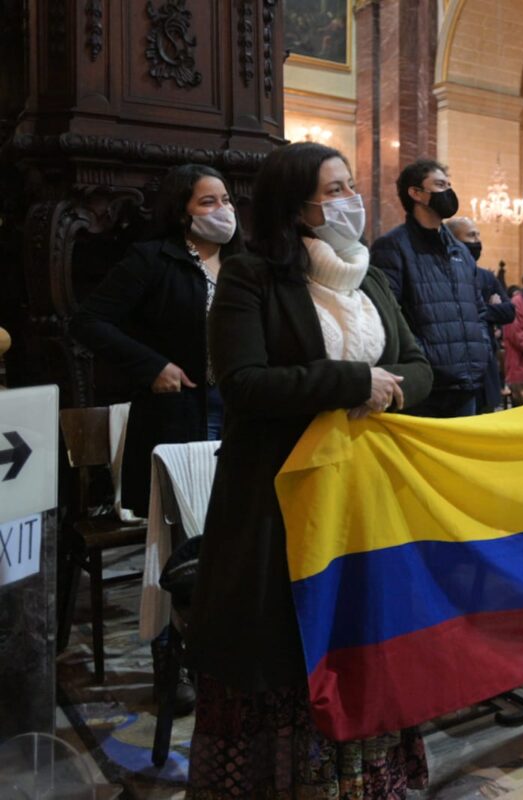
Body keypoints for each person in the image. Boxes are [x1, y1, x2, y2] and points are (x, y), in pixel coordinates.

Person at [187, 143, 434, 798]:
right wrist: (352, 382)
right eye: (334, 190)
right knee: (290, 647)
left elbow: (420, 365)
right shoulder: (250, 277)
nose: (352, 199)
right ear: (296, 204)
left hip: (364, 496)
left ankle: (363, 784)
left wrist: (388, 389)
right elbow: (243, 383)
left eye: (351, 185)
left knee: (361, 634)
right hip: (277, 498)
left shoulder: (369, 277)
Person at [71, 164, 242, 516]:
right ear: (181, 213)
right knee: (188, 519)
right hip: (181, 408)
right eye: (208, 202)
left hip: (240, 407)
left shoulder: (244, 264)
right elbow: (88, 322)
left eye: (226, 200)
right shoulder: (152, 259)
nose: (223, 210)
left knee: (237, 517)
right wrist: (152, 366)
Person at [371, 159, 489, 417]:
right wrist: (423, 358)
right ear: (416, 193)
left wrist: (482, 348)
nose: (448, 192)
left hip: (467, 381)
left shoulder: (461, 251)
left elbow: (478, 310)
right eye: (439, 185)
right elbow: (388, 315)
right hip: (425, 386)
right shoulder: (392, 247)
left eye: (449, 185)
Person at [446, 216, 515, 413]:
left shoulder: (486, 276)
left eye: (478, 235)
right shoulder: (443, 273)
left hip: (486, 361)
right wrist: (488, 308)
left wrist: (476, 311)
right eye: (471, 235)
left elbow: (509, 312)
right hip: (456, 364)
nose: (477, 240)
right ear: (454, 240)